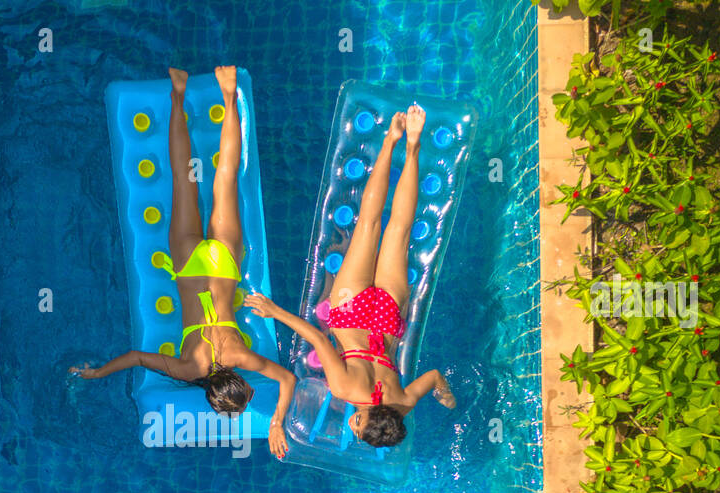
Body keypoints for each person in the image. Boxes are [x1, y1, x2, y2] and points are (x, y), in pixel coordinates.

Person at [71, 66, 295, 459]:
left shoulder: (242, 358)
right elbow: (137, 357)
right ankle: (177, 94)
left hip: (223, 263)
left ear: (245, 384)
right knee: (182, 180)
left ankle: (227, 96)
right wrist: (98, 372)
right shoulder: (189, 369)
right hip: (190, 263)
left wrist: (276, 422)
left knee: (224, 179)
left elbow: (288, 380)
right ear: (210, 393)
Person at [245, 104, 455, 449]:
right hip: (350, 309)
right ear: (362, 420)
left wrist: (445, 395)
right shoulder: (344, 390)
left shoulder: (402, 404)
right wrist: (273, 311)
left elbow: (433, 378)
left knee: (398, 230)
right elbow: (316, 337)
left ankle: (411, 144)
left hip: (387, 318)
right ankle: (390, 141)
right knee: (367, 225)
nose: (353, 429)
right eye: (357, 429)